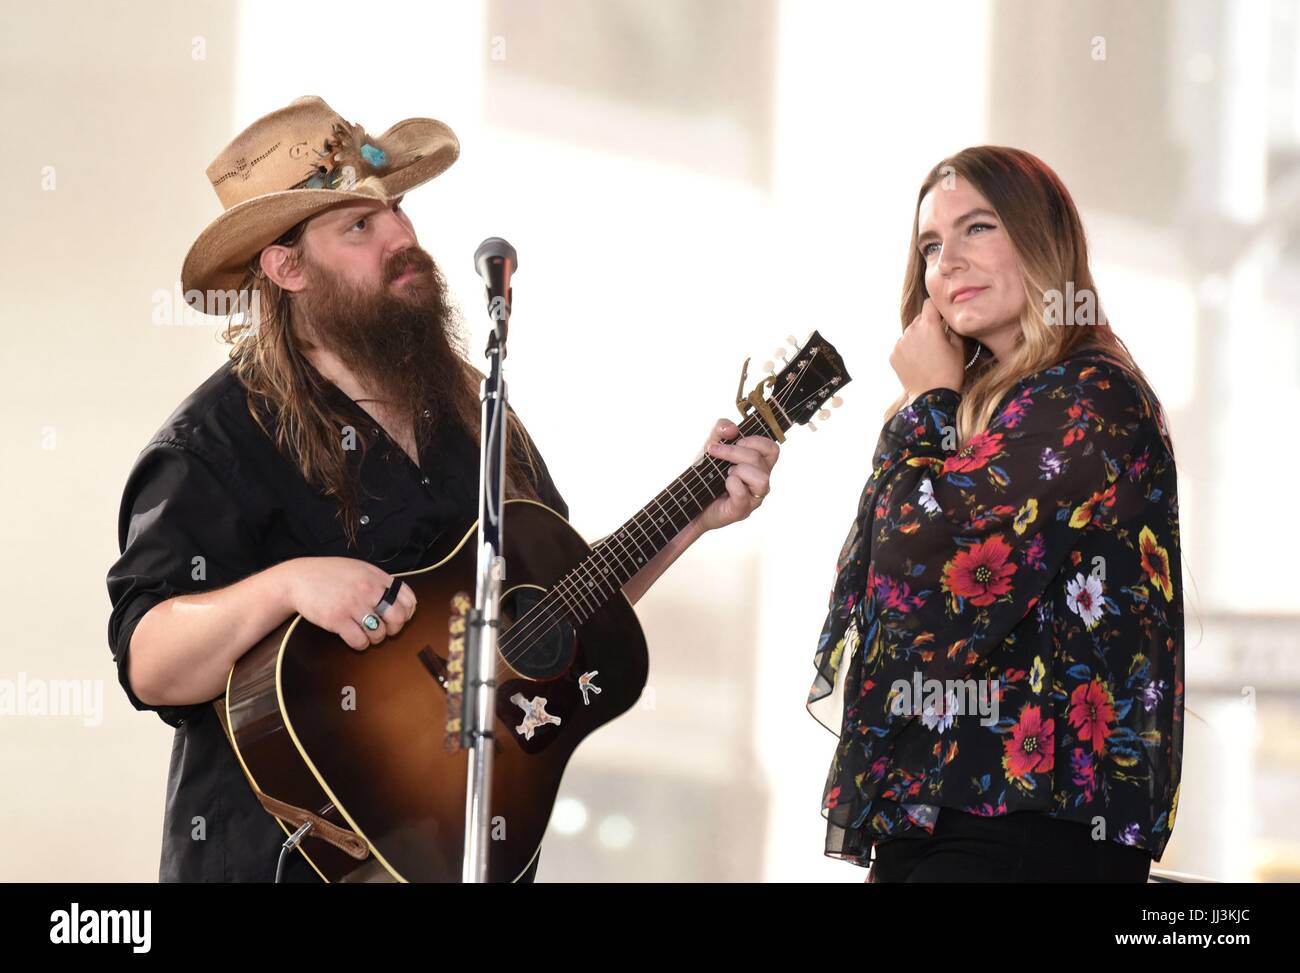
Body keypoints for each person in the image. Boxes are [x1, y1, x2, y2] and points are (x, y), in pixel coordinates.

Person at [106, 96, 779, 883]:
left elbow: (553, 607)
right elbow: (148, 656)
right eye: (359, 226)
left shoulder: (470, 405)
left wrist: (693, 517)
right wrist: (289, 586)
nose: (402, 237)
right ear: (286, 268)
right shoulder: (215, 444)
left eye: (395, 209)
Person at [806, 146, 1183, 882]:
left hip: (1029, 828)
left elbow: (924, 576)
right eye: (930, 246)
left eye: (976, 228)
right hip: (945, 813)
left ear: (1041, 240)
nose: (946, 262)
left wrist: (926, 405)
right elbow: (892, 588)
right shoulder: (984, 415)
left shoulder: (1091, 398)